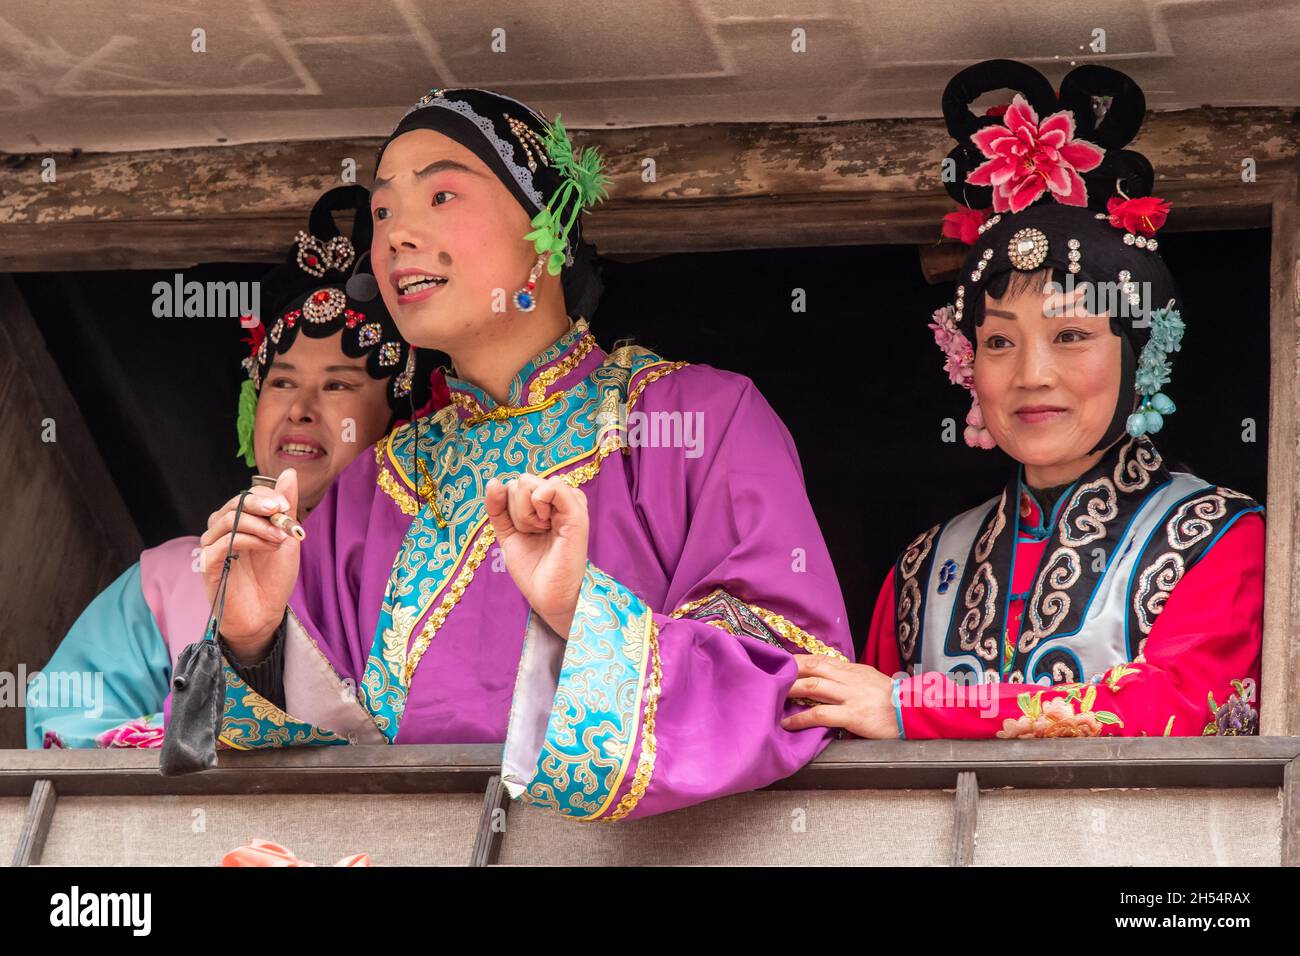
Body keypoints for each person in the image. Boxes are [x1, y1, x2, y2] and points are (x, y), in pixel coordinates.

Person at [196, 87, 853, 821]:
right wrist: (252, 641)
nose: (397, 236)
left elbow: (792, 677)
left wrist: (582, 612)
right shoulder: (381, 480)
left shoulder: (698, 419)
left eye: (441, 194)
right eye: (383, 213)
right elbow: (304, 775)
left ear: (548, 228)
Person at [783, 59, 1263, 740]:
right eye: (1001, 343)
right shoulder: (924, 567)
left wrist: (912, 708)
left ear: (1142, 354)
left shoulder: (1217, 537)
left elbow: (1170, 712)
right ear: (964, 361)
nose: (1032, 375)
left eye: (1071, 334)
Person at [27, 185, 430, 749]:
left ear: (400, 422)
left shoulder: (433, 569)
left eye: (338, 384)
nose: (299, 409)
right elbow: (69, 729)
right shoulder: (168, 579)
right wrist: (194, 736)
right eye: (282, 381)